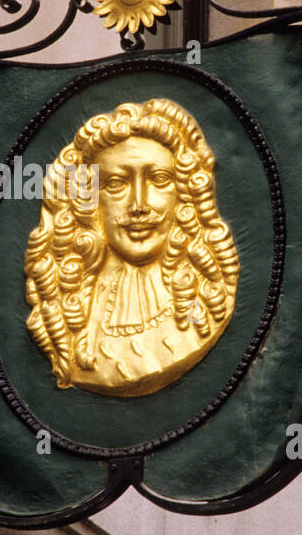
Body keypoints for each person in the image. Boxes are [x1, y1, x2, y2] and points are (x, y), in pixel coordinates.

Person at [24, 98, 238, 397]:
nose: (139, 205)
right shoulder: (68, 323)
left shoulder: (205, 306)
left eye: (159, 179)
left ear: (186, 192)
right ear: (88, 201)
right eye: (115, 183)